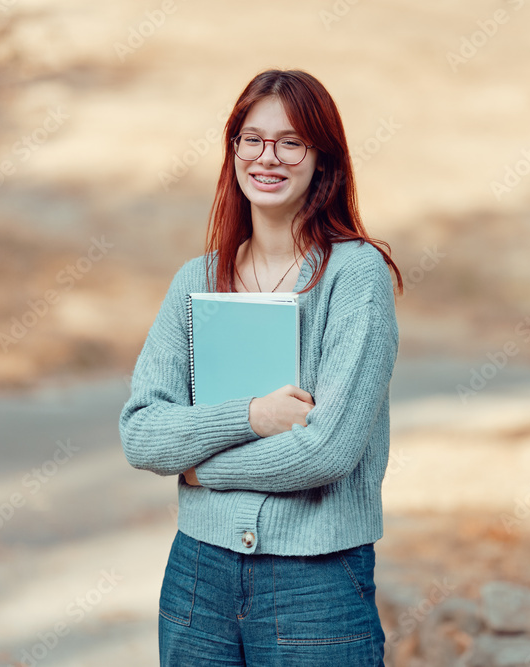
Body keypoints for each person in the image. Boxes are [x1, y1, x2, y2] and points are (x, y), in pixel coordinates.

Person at [118, 68, 404, 666]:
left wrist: (199, 472)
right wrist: (252, 416)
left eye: (291, 141)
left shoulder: (356, 277)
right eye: (253, 139)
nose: (267, 157)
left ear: (323, 159)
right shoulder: (195, 279)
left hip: (316, 587)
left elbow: (325, 452)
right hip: (198, 579)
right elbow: (142, 432)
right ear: (234, 151)